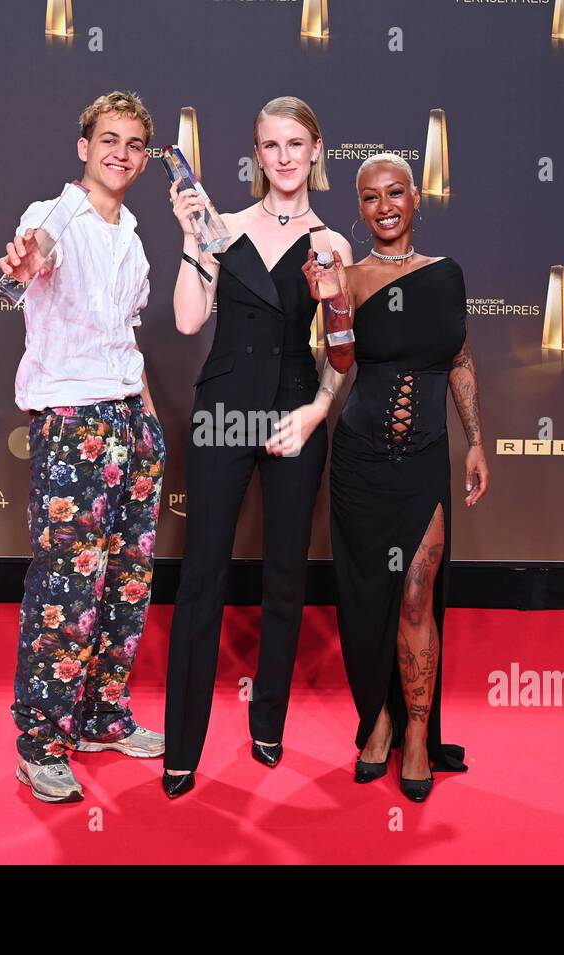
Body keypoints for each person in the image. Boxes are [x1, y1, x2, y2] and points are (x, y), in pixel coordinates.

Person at [159, 96, 353, 799]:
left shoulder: (333, 245)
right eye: (271, 145)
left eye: (297, 143)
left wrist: (316, 411)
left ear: (316, 149)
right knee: (202, 574)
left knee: (284, 576)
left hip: (294, 414)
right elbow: (186, 321)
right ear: (256, 154)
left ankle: (266, 721)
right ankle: (181, 746)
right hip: (222, 413)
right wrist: (190, 239)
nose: (285, 157)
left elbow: (340, 348)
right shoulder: (222, 226)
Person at [0, 91, 166, 804]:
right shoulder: (52, 215)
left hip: (132, 421)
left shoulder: (132, 233)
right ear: (83, 146)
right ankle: (40, 742)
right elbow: (23, 267)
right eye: (108, 139)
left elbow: (125, 340)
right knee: (66, 588)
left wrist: (151, 426)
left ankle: (100, 715)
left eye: (133, 143)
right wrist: (21, 266)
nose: (120, 153)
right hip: (73, 423)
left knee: (126, 581)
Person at [315, 152, 490, 802]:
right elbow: (339, 360)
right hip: (360, 458)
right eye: (369, 197)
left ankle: (417, 731)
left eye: (395, 193)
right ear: (358, 209)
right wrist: (333, 302)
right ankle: (379, 718)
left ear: (416, 198)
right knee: (366, 599)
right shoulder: (351, 277)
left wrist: (477, 442)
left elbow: (462, 358)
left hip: (424, 461)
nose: (384, 206)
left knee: (417, 593)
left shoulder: (447, 275)